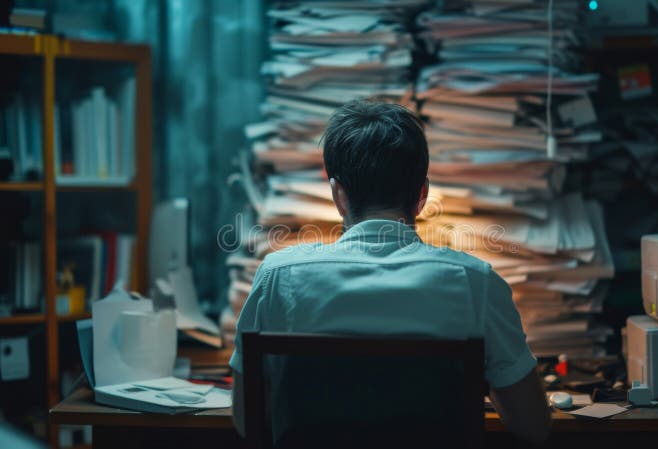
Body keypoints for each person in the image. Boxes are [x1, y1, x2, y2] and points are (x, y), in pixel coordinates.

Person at [230, 100, 552, 445]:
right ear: (422, 195)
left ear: (339, 194)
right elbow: (533, 426)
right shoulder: (476, 283)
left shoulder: (278, 277)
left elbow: (246, 420)